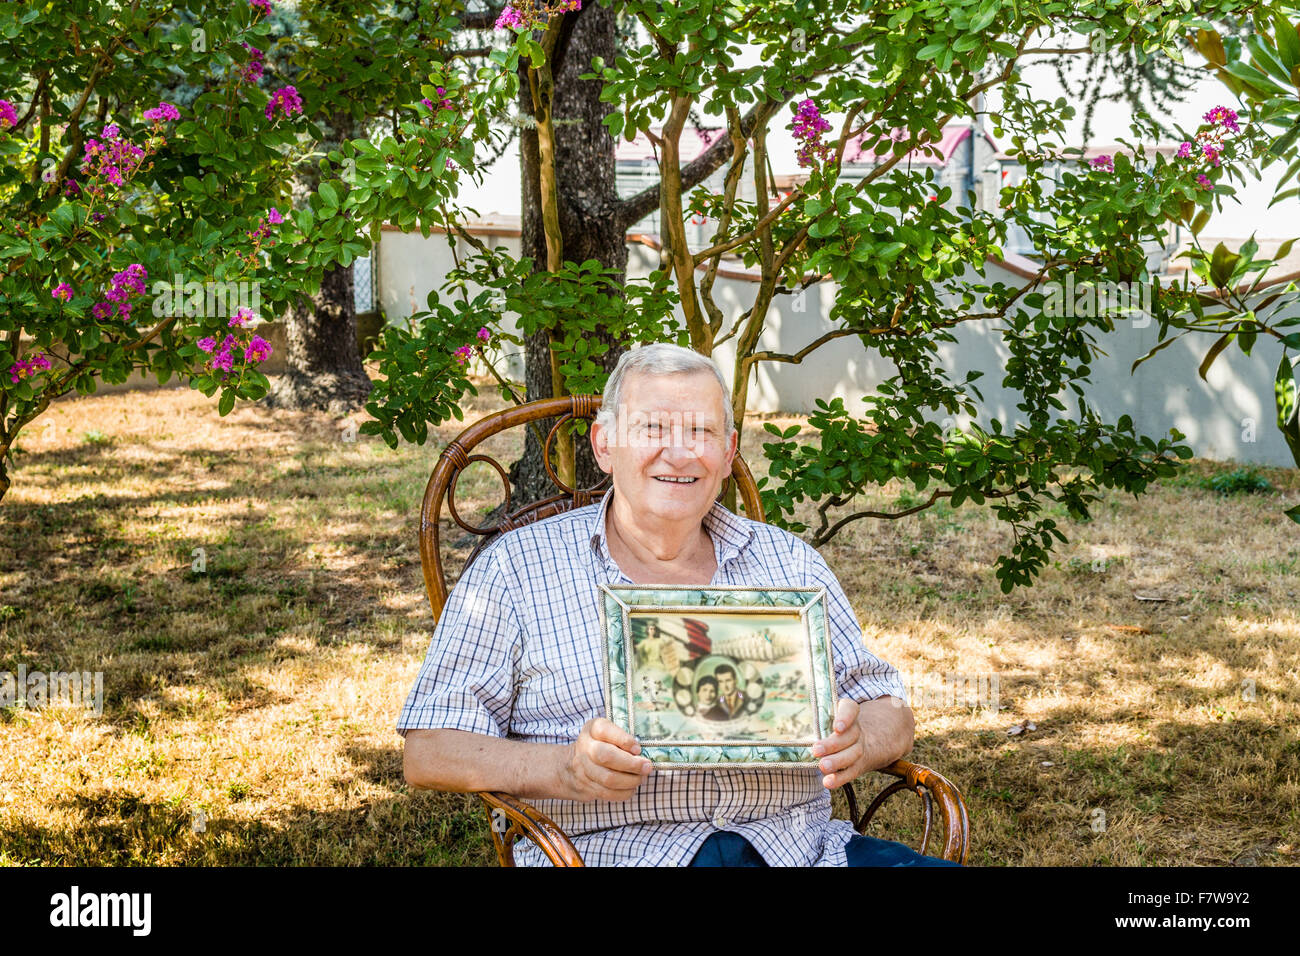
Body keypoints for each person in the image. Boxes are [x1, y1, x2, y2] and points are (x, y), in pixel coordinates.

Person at [399, 343, 959, 867]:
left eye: (701, 430)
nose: (679, 450)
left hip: (803, 850)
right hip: (620, 853)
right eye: (653, 428)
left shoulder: (789, 563)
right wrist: (563, 770)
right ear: (603, 445)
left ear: (728, 451)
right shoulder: (516, 569)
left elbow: (889, 708)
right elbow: (429, 749)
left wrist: (861, 742)